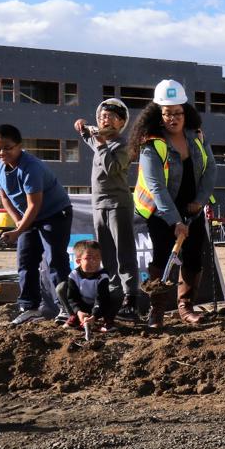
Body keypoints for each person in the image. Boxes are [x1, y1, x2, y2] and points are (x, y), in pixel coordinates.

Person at [131, 79, 218, 328]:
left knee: (193, 256)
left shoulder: (196, 136)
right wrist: (175, 221)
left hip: (192, 208)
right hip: (161, 212)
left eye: (178, 113)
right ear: (158, 115)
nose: (173, 118)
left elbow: (210, 169)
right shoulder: (151, 144)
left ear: (185, 112)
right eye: (167, 113)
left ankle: (185, 307)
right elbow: (156, 187)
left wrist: (199, 201)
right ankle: (157, 311)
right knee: (161, 257)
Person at [0, 124, 73, 325]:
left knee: (55, 260)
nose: (2, 153)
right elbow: (4, 197)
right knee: (26, 260)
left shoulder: (31, 167)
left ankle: (66, 307)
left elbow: (34, 204)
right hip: (29, 217)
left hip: (54, 214)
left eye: (7, 148)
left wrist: (19, 230)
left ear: (19, 146)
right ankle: (30, 308)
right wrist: (19, 222)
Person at [74, 98, 142, 320]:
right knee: (107, 254)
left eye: (112, 116)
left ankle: (131, 299)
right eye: (102, 116)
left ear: (121, 122)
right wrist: (81, 127)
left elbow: (112, 168)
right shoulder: (98, 140)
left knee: (124, 253)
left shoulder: (125, 145)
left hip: (118, 205)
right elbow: (88, 137)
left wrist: (101, 143)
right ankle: (114, 295)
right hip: (99, 205)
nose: (105, 119)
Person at [55, 239, 120, 333]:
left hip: (100, 306)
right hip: (82, 305)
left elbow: (101, 298)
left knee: (117, 293)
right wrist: (78, 312)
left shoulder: (103, 275)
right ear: (78, 261)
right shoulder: (73, 275)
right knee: (61, 288)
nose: (94, 261)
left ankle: (108, 321)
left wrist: (94, 315)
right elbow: (72, 298)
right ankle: (75, 318)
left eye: (97, 257)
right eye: (88, 258)